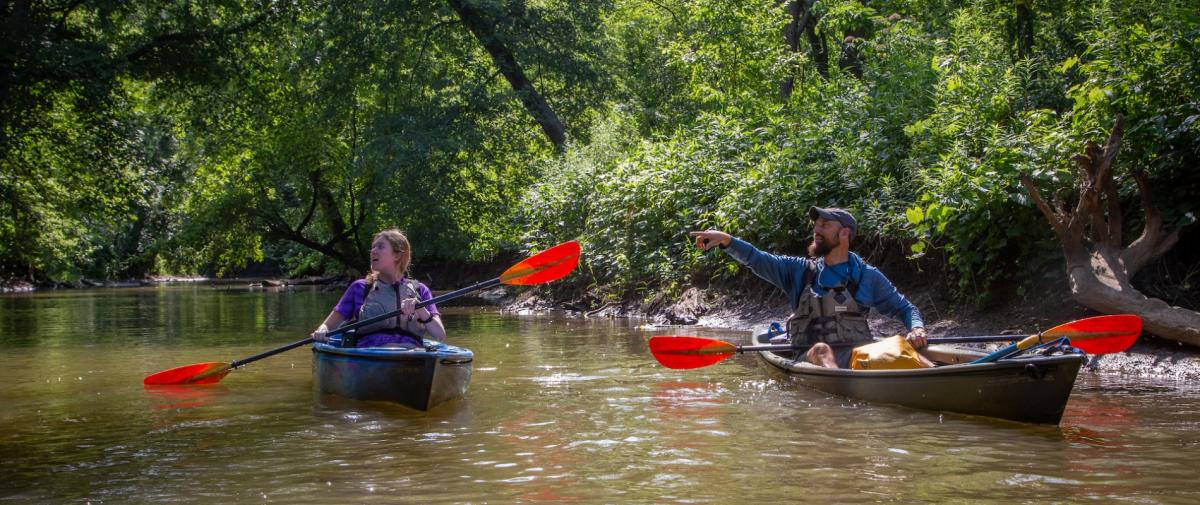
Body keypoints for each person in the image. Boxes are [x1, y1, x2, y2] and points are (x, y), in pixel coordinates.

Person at [689, 207, 927, 369]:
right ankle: (839, 388)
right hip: (808, 355)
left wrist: (916, 329)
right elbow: (757, 258)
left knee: (900, 345)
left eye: (824, 224)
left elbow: (905, 308)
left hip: (857, 356)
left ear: (844, 233)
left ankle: (937, 376)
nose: (816, 229)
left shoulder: (867, 276)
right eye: (816, 224)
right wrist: (727, 241)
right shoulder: (798, 271)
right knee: (822, 349)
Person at [311, 229, 446, 347]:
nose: (373, 251)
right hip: (371, 356)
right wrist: (322, 330)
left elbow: (440, 335)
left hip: (411, 354)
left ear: (397, 255)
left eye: (380, 247)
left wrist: (421, 309)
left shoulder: (420, 290)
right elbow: (328, 325)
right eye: (373, 247)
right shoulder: (360, 288)